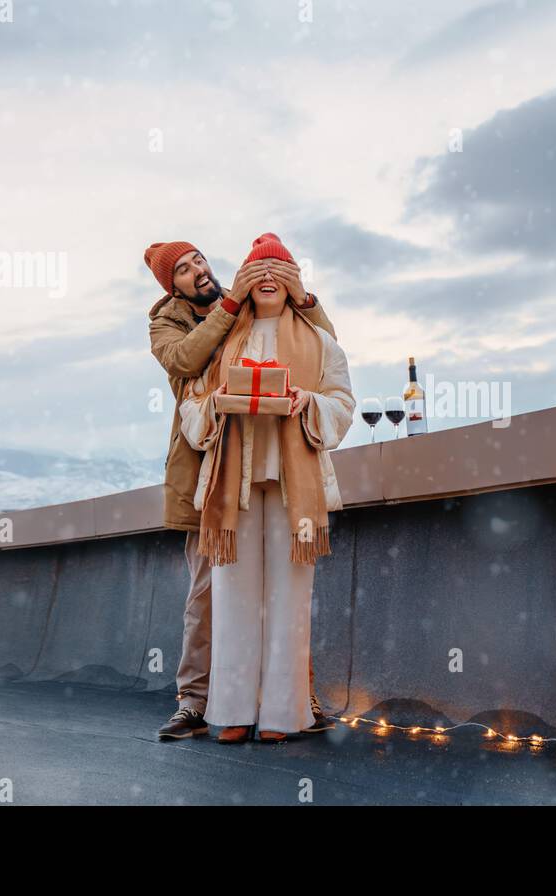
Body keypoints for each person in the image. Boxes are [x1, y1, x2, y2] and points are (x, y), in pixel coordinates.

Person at [145, 239, 337, 740]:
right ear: (173, 286)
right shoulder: (177, 323)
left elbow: (326, 352)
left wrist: (302, 297)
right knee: (211, 594)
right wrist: (233, 308)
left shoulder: (250, 303)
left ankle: (291, 700)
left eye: (199, 260)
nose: (196, 272)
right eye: (183, 271)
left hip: (281, 468)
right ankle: (197, 701)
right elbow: (187, 364)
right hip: (210, 475)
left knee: (286, 590)